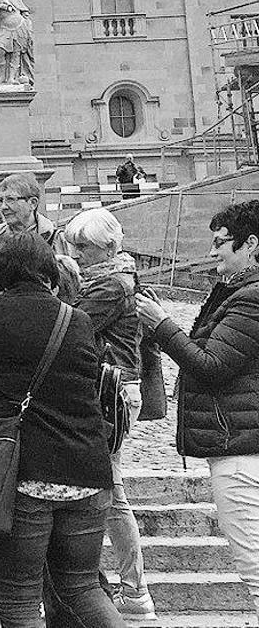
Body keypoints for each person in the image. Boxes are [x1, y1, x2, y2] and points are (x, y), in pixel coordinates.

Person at [0, 232, 121, 628]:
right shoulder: (77, 320)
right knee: (82, 589)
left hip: (21, 474)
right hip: (86, 472)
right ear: (48, 270)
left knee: (20, 602)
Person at [135, 200, 259, 624]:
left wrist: (162, 325)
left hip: (240, 451)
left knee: (255, 569)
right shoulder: (234, 292)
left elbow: (211, 366)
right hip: (241, 443)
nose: (212, 250)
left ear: (251, 244)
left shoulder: (251, 298)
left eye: (221, 242)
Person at [65, 207, 155, 620]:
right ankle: (130, 589)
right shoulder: (108, 279)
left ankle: (135, 590)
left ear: (108, 248)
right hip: (110, 391)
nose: (77, 254)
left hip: (111, 394)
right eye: (74, 246)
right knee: (109, 488)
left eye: (83, 247)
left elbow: (72, 321)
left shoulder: (112, 285)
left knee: (112, 492)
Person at [0, 172, 60, 302]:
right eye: (0, 201)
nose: (3, 207)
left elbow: (66, 285)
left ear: (33, 203)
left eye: (10, 199)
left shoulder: (53, 236)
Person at [0, 0, 35, 88]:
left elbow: (25, 13)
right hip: (4, 28)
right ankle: (2, 77)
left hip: (20, 26)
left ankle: (11, 78)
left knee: (16, 53)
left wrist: (28, 30)